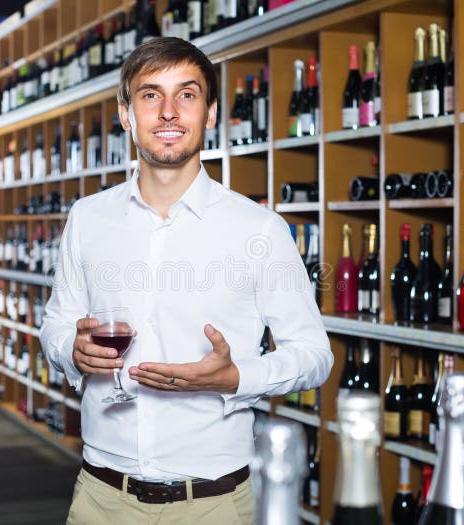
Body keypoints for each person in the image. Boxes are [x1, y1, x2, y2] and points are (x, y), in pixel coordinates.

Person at [40, 37, 332, 525]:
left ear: (211, 112)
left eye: (188, 95)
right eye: (151, 95)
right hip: (100, 498)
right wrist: (70, 347)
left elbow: (314, 355)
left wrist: (235, 377)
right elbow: (55, 323)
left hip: (214, 504)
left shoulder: (259, 230)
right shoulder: (88, 219)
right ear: (126, 114)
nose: (169, 112)